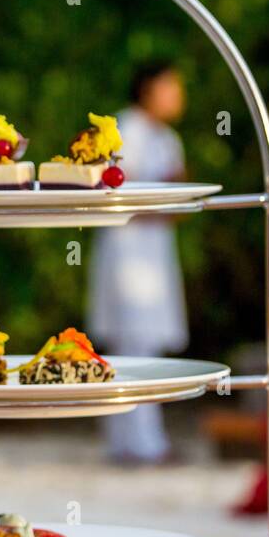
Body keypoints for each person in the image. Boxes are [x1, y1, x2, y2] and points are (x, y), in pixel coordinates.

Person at [88, 61, 189, 463]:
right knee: (132, 349)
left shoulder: (168, 138)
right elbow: (110, 190)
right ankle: (139, 444)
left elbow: (177, 199)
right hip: (127, 253)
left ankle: (137, 441)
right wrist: (163, 198)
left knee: (146, 350)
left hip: (155, 254)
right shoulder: (124, 130)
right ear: (149, 88)